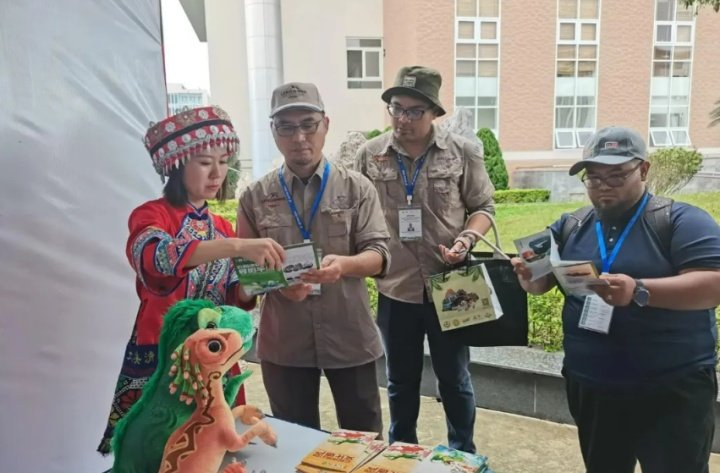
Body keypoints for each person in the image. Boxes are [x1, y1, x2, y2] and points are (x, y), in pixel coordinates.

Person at [511, 126, 720, 473]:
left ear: (643, 170)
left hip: (671, 389)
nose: (603, 185)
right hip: (594, 385)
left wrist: (638, 290)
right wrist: (527, 276)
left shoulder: (681, 221)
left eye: (616, 175)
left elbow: (714, 284)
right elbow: (540, 284)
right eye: (593, 177)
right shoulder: (571, 225)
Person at [97, 106, 283, 454]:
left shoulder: (221, 227)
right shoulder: (151, 215)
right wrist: (238, 245)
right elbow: (156, 260)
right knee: (159, 448)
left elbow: (232, 297)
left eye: (223, 161)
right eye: (204, 162)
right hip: (165, 355)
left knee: (214, 450)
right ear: (177, 165)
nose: (217, 173)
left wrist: (267, 280)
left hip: (215, 356)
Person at [355, 66, 496, 453]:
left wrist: (467, 239)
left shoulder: (463, 152)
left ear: (434, 112)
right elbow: (356, 212)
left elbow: (483, 207)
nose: (403, 119)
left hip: (452, 285)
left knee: (455, 378)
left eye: (414, 111)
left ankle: (462, 454)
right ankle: (403, 452)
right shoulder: (371, 154)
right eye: (396, 109)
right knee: (400, 381)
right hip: (395, 285)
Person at [236, 82, 391, 433]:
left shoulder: (357, 188)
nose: (299, 137)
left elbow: (380, 256)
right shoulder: (254, 197)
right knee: (295, 439)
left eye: (308, 124)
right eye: (286, 127)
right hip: (285, 342)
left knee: (363, 437)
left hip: (348, 334)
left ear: (326, 125)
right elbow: (246, 273)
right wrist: (279, 285)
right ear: (273, 131)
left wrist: (345, 265)